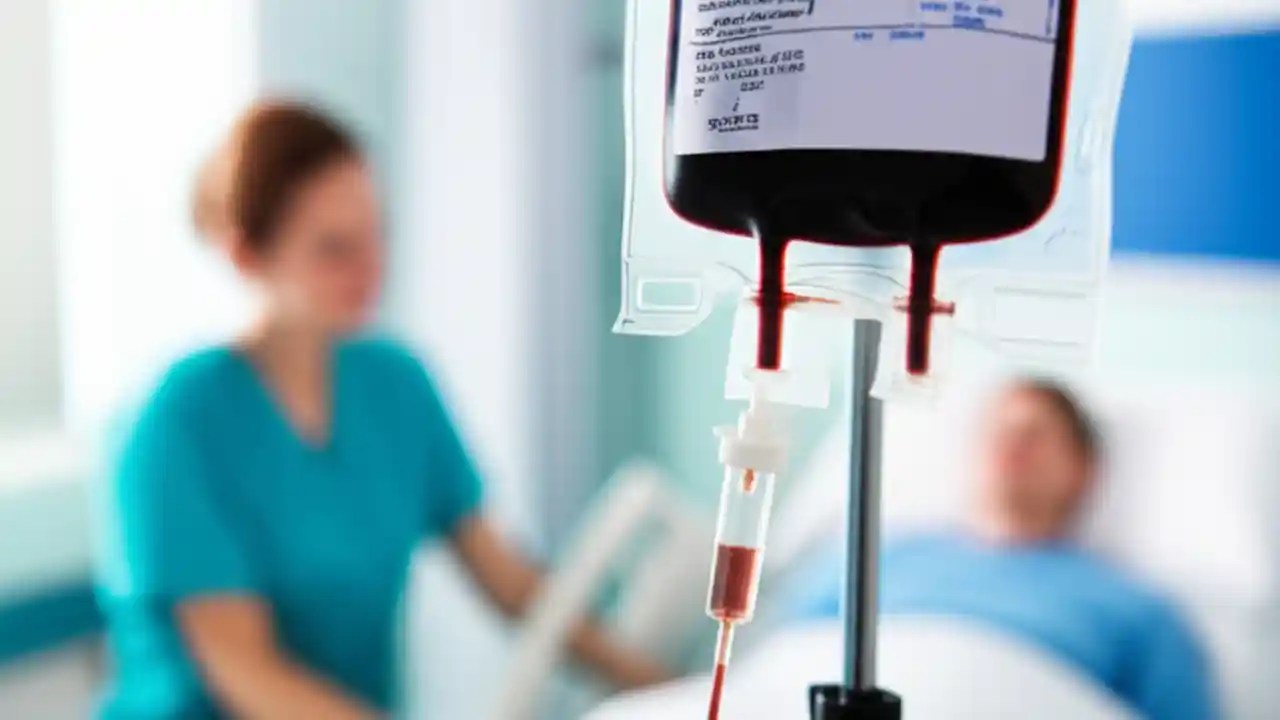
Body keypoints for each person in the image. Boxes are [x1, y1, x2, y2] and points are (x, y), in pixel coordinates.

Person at [93, 101, 666, 719]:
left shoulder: (394, 382)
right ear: (246, 256)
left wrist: (663, 684)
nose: (371, 267)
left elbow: (507, 578)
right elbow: (246, 671)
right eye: (335, 248)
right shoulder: (173, 423)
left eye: (377, 233)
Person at [792, 379, 1219, 720]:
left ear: (1082, 469)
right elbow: (778, 670)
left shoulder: (1134, 609)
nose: (1011, 444)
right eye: (998, 430)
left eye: (1033, 433)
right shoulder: (870, 560)